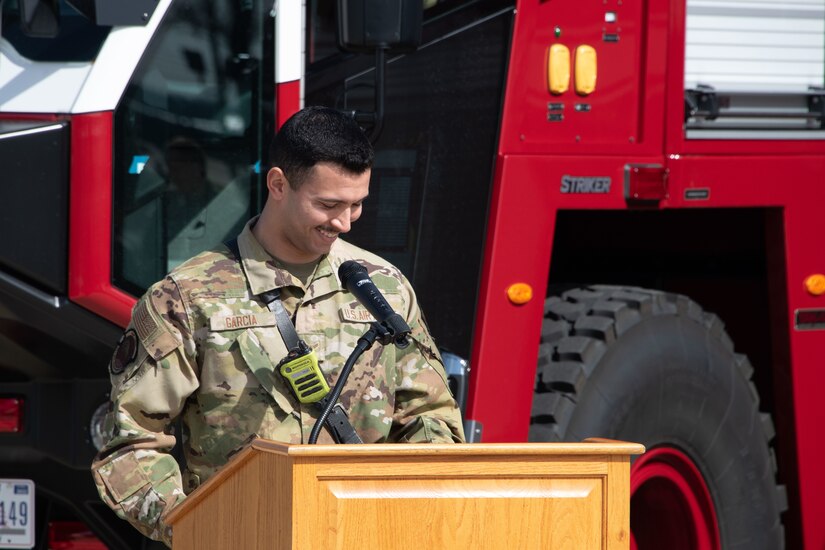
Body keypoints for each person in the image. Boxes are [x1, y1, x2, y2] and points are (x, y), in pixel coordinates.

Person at [91, 106, 465, 546]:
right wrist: (195, 529)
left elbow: (429, 417)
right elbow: (130, 444)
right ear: (278, 184)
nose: (343, 223)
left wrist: (415, 516)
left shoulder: (384, 286)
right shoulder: (187, 297)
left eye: (357, 204)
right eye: (328, 205)